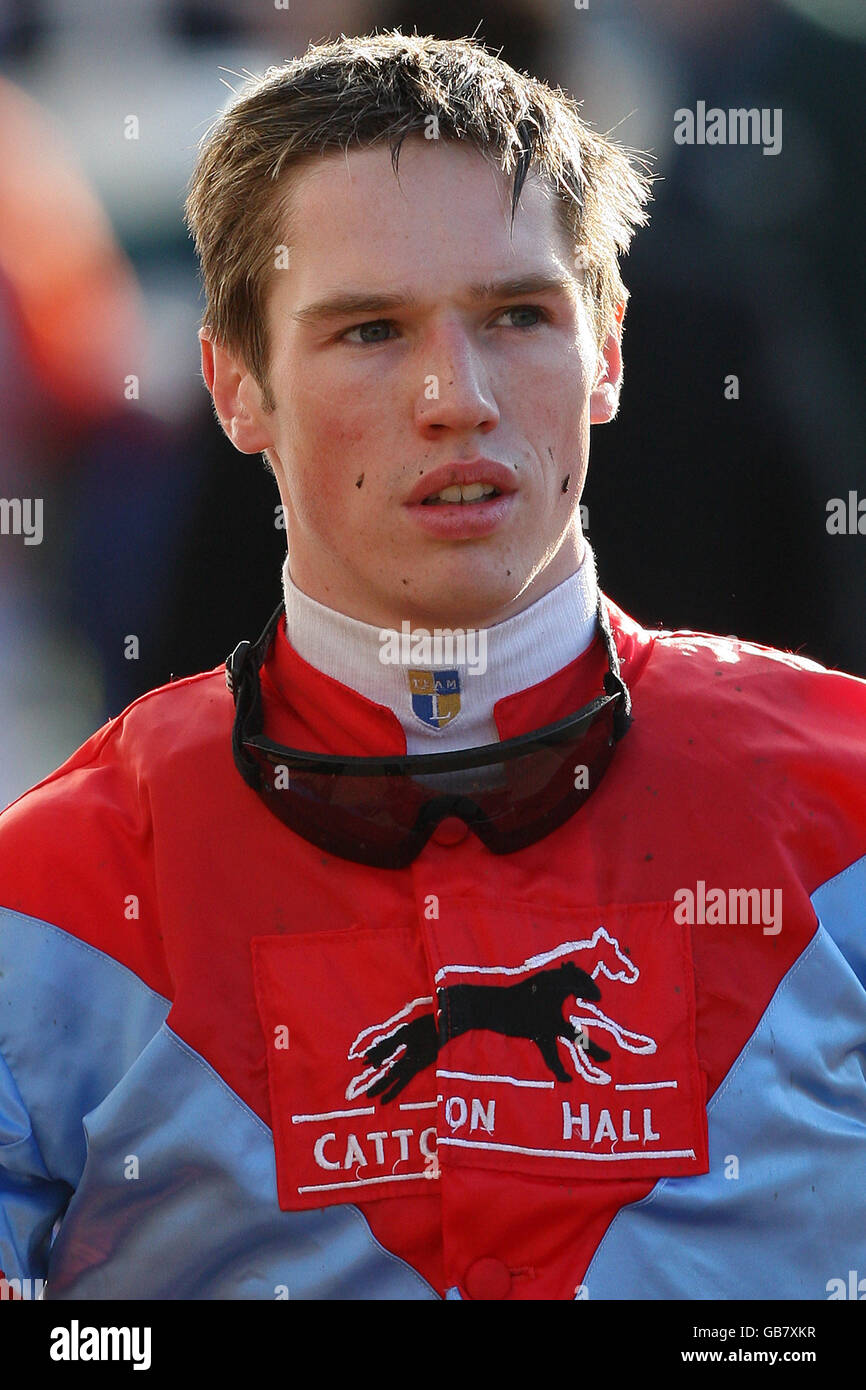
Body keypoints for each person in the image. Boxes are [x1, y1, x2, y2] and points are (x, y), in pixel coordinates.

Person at [1, 29, 864, 1304]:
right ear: (235, 387)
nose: (453, 396)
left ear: (607, 349)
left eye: (517, 314)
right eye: (368, 331)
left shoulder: (842, 803)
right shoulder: (56, 887)